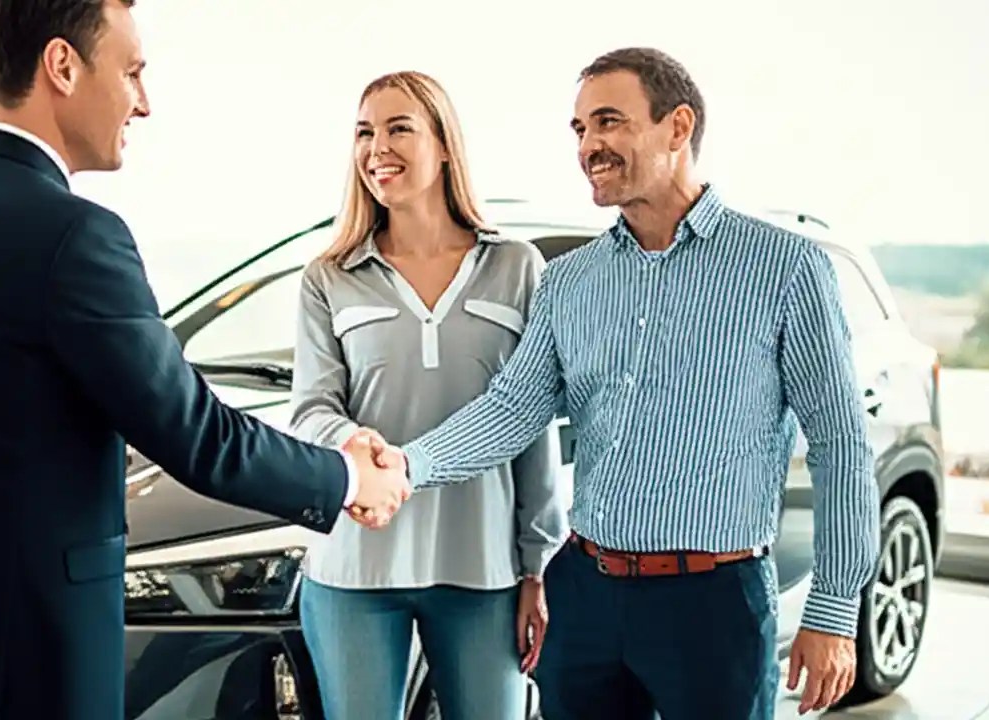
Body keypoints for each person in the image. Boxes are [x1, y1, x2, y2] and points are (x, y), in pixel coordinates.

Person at [0, 2, 408, 719]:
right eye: (132, 71)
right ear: (62, 66)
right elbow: (195, 435)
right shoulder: (76, 236)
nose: (144, 102)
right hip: (29, 663)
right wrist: (347, 474)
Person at [373, 48, 881, 719]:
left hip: (714, 602)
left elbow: (842, 446)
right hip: (586, 591)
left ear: (678, 127)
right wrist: (409, 465)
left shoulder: (786, 269)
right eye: (580, 130)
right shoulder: (570, 280)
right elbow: (512, 407)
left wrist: (834, 611)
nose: (589, 146)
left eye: (609, 122)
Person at [288, 70, 569, 720]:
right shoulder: (329, 277)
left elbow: (529, 423)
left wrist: (538, 568)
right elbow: (311, 409)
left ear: (444, 145)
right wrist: (354, 445)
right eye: (364, 132)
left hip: (482, 568)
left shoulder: (516, 266)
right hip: (353, 570)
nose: (376, 147)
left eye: (398, 128)